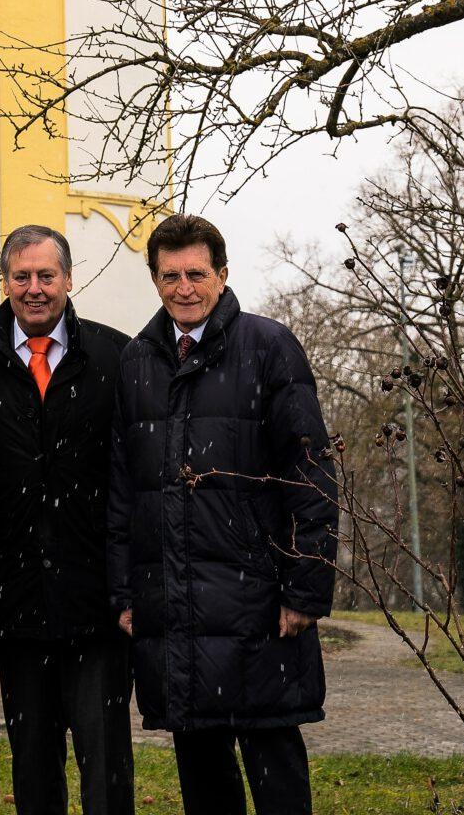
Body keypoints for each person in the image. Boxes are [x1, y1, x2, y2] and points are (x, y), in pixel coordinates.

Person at [109, 214, 338, 815]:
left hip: (258, 600)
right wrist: (124, 593)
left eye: (196, 274)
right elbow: (122, 491)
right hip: (175, 604)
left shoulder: (268, 347)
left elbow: (310, 472)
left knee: (274, 760)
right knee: (202, 769)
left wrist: (306, 590)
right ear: (155, 280)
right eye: (170, 276)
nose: (184, 288)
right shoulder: (136, 362)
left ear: (222, 274)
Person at [0, 224, 134, 815]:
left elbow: (134, 480)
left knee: (105, 764)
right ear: (5, 282)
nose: (34, 289)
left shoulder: (116, 357)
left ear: (68, 280)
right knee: (32, 763)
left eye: (46, 276)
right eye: (21, 277)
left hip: (97, 605)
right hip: (18, 602)